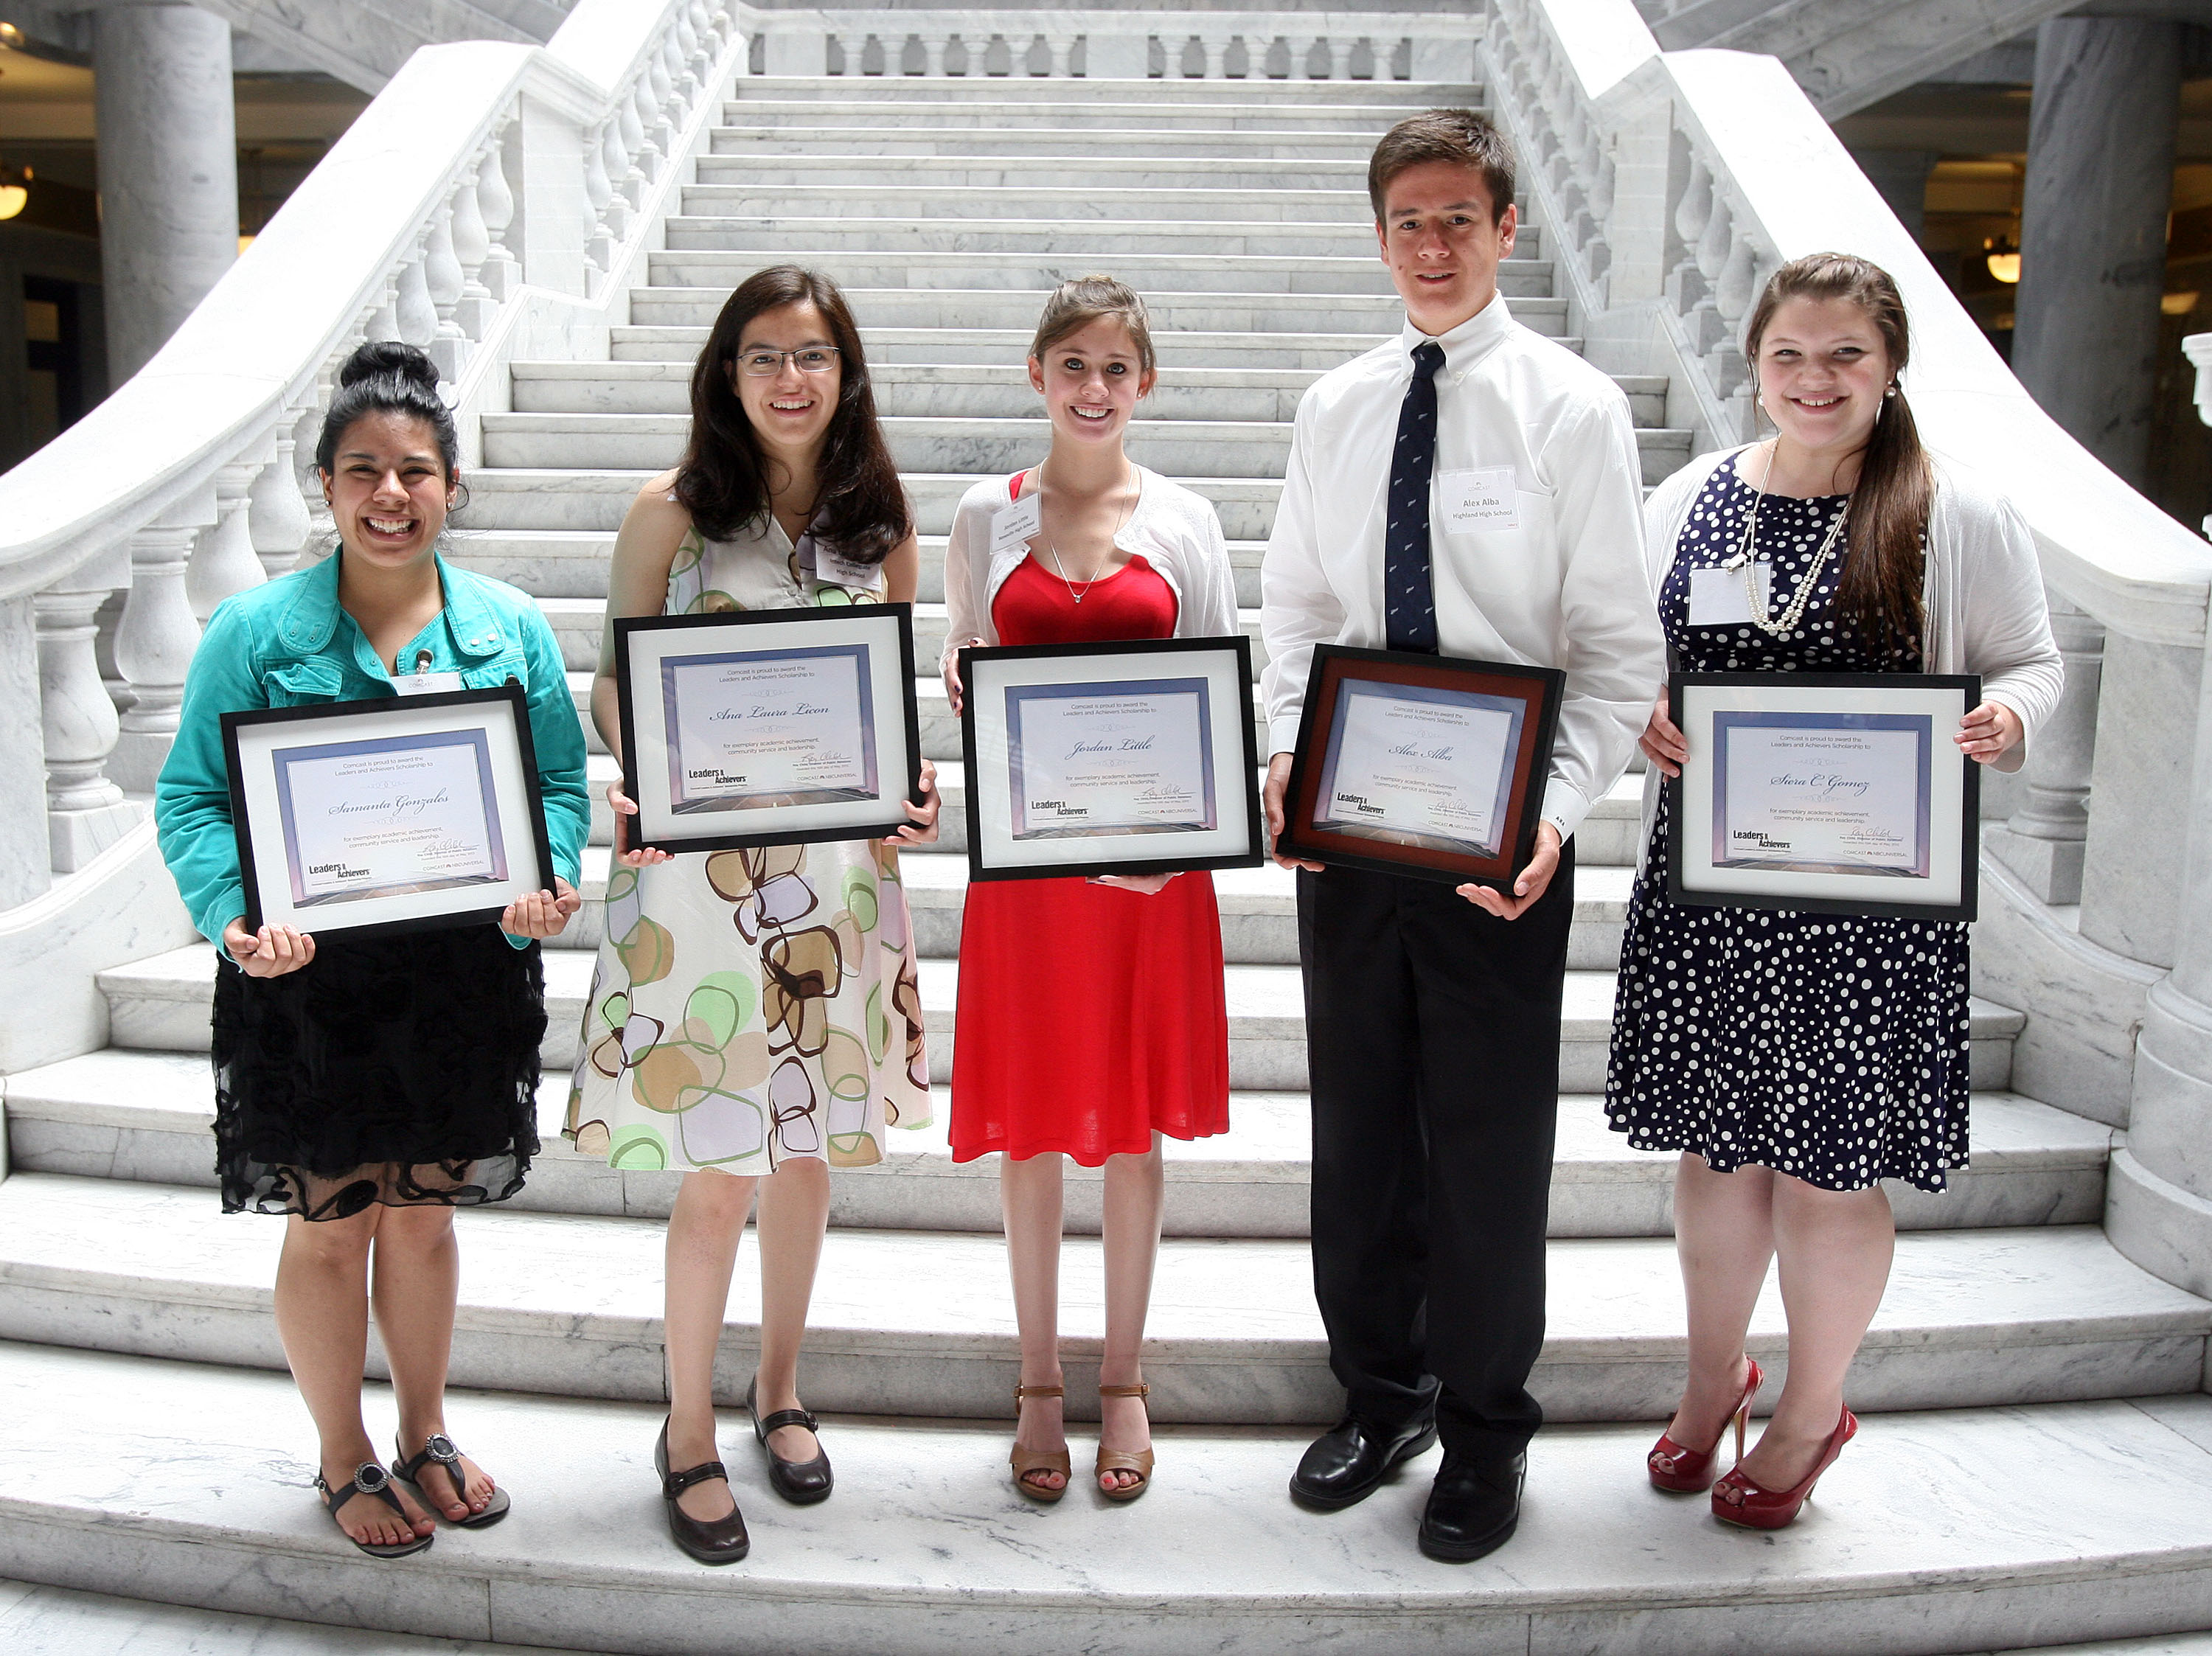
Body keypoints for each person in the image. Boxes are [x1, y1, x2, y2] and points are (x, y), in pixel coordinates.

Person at [1259, 111, 1665, 1562]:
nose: (1431, 247)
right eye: (1406, 223)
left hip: (1505, 847)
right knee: (1359, 1125)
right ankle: (1380, 1390)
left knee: (1490, 1143)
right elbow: (1298, 610)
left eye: (1457, 220)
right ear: (1378, 239)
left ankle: (1486, 1424)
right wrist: (1283, 767)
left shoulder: (1573, 409)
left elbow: (1619, 655)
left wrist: (1553, 818)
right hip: (1356, 830)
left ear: (1505, 229)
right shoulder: (1336, 406)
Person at [1609, 252, 2063, 1530]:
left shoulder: (1951, 510)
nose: (1817, 379)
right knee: (1717, 1153)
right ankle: (1711, 1385)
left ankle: (1811, 1412)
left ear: (1891, 364)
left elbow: (2032, 662)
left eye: (1846, 355)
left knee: (1826, 1170)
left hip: (1871, 912)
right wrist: (1640, 708)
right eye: (1792, 355)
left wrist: (2002, 718)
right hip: (1713, 892)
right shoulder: (1693, 496)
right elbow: (1627, 653)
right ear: (1755, 362)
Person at [153, 341, 590, 1559]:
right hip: (309, 982)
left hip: (459, 972)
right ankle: (344, 1454)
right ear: (328, 488)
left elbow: (557, 779)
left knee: (428, 1217)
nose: (389, 495)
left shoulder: (507, 626)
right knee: (333, 1222)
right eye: (362, 472)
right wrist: (235, 909)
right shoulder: (254, 630)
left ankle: (426, 1430)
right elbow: (190, 797)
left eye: (414, 471)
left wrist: (544, 873)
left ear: (452, 484)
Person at [564, 265, 939, 1564]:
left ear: (848, 374)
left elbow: (885, 702)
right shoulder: (669, 515)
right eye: (766, 355)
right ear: (728, 373)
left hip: (833, 887)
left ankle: (780, 1388)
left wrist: (910, 779)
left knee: (804, 1156)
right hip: (704, 893)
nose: (792, 378)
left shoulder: (880, 525)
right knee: (720, 1169)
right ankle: (683, 1430)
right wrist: (644, 756)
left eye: (815, 355)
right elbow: (614, 687)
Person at [941, 276, 1237, 1504]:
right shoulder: (982, 517)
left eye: (1117, 367)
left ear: (1145, 382)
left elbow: (1217, 679)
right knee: (1030, 1127)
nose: (1094, 387)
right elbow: (964, 668)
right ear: (1037, 374)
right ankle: (1037, 1382)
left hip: (1146, 882)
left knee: (1132, 1132)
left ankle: (1123, 1378)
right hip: (1027, 880)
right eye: (1073, 363)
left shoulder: (1185, 518)